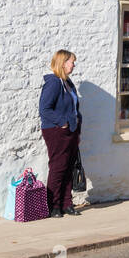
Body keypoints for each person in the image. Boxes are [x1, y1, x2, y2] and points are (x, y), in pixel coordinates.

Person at [39, 49, 82, 218]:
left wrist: (77, 125)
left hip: (71, 131)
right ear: (63, 63)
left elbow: (74, 107)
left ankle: (66, 203)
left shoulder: (68, 83)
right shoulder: (54, 83)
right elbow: (44, 109)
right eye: (72, 61)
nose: (74, 64)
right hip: (56, 131)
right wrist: (62, 122)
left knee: (69, 166)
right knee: (58, 167)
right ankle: (53, 206)